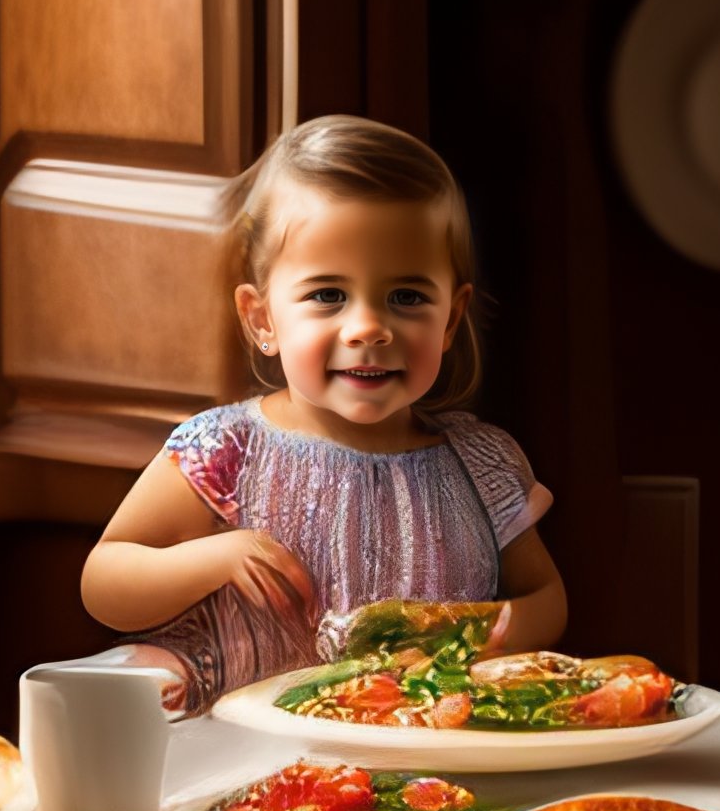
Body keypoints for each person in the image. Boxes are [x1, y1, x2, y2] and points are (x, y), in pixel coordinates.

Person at [82, 114, 566, 713]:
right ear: (262, 318)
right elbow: (105, 580)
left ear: (450, 319)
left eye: (407, 297)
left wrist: (490, 634)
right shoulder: (229, 450)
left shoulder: (479, 463)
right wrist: (216, 557)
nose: (368, 327)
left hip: (425, 757)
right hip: (249, 763)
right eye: (328, 295)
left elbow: (546, 595)